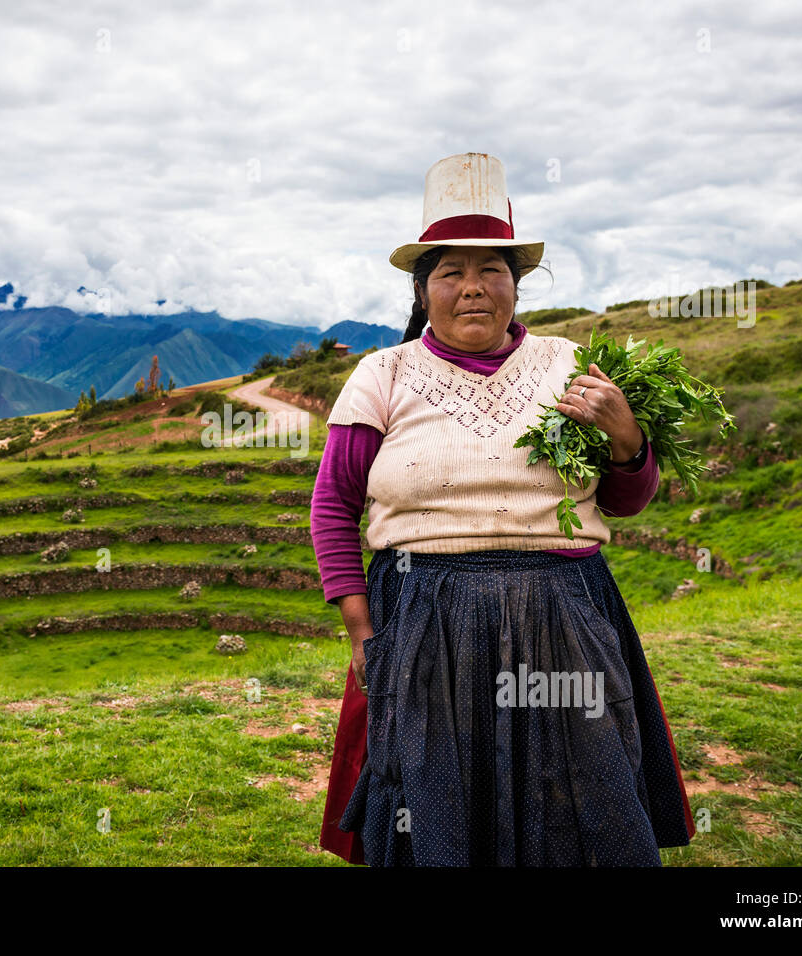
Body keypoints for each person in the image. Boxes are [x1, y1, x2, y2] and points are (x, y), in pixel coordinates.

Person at [312, 152, 694, 866]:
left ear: (517, 286)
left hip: (566, 612)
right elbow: (333, 508)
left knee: (585, 798)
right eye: (451, 272)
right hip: (427, 616)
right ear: (423, 290)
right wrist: (363, 632)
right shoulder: (383, 375)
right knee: (434, 799)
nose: (473, 288)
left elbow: (627, 498)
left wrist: (625, 435)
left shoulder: (568, 365)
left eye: (492, 270)